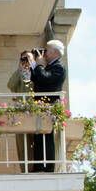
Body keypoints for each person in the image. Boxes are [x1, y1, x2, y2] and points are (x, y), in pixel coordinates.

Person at [26, 40, 66, 172]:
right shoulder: (47, 66)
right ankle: (38, 165)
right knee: (38, 136)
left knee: (47, 136)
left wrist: (40, 65)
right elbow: (36, 78)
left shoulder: (59, 67)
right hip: (40, 106)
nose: (44, 53)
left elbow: (44, 79)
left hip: (48, 107)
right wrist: (34, 64)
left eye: (47, 50)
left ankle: (48, 166)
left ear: (54, 52)